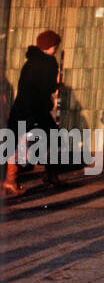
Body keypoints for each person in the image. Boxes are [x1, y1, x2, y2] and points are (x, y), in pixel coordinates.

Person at [5, 30, 64, 196]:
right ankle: (44, 176)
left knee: (22, 141)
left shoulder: (33, 62)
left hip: (27, 108)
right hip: (33, 109)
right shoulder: (46, 63)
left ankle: (15, 179)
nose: (57, 48)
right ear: (50, 46)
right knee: (40, 139)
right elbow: (41, 87)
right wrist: (55, 86)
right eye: (55, 45)